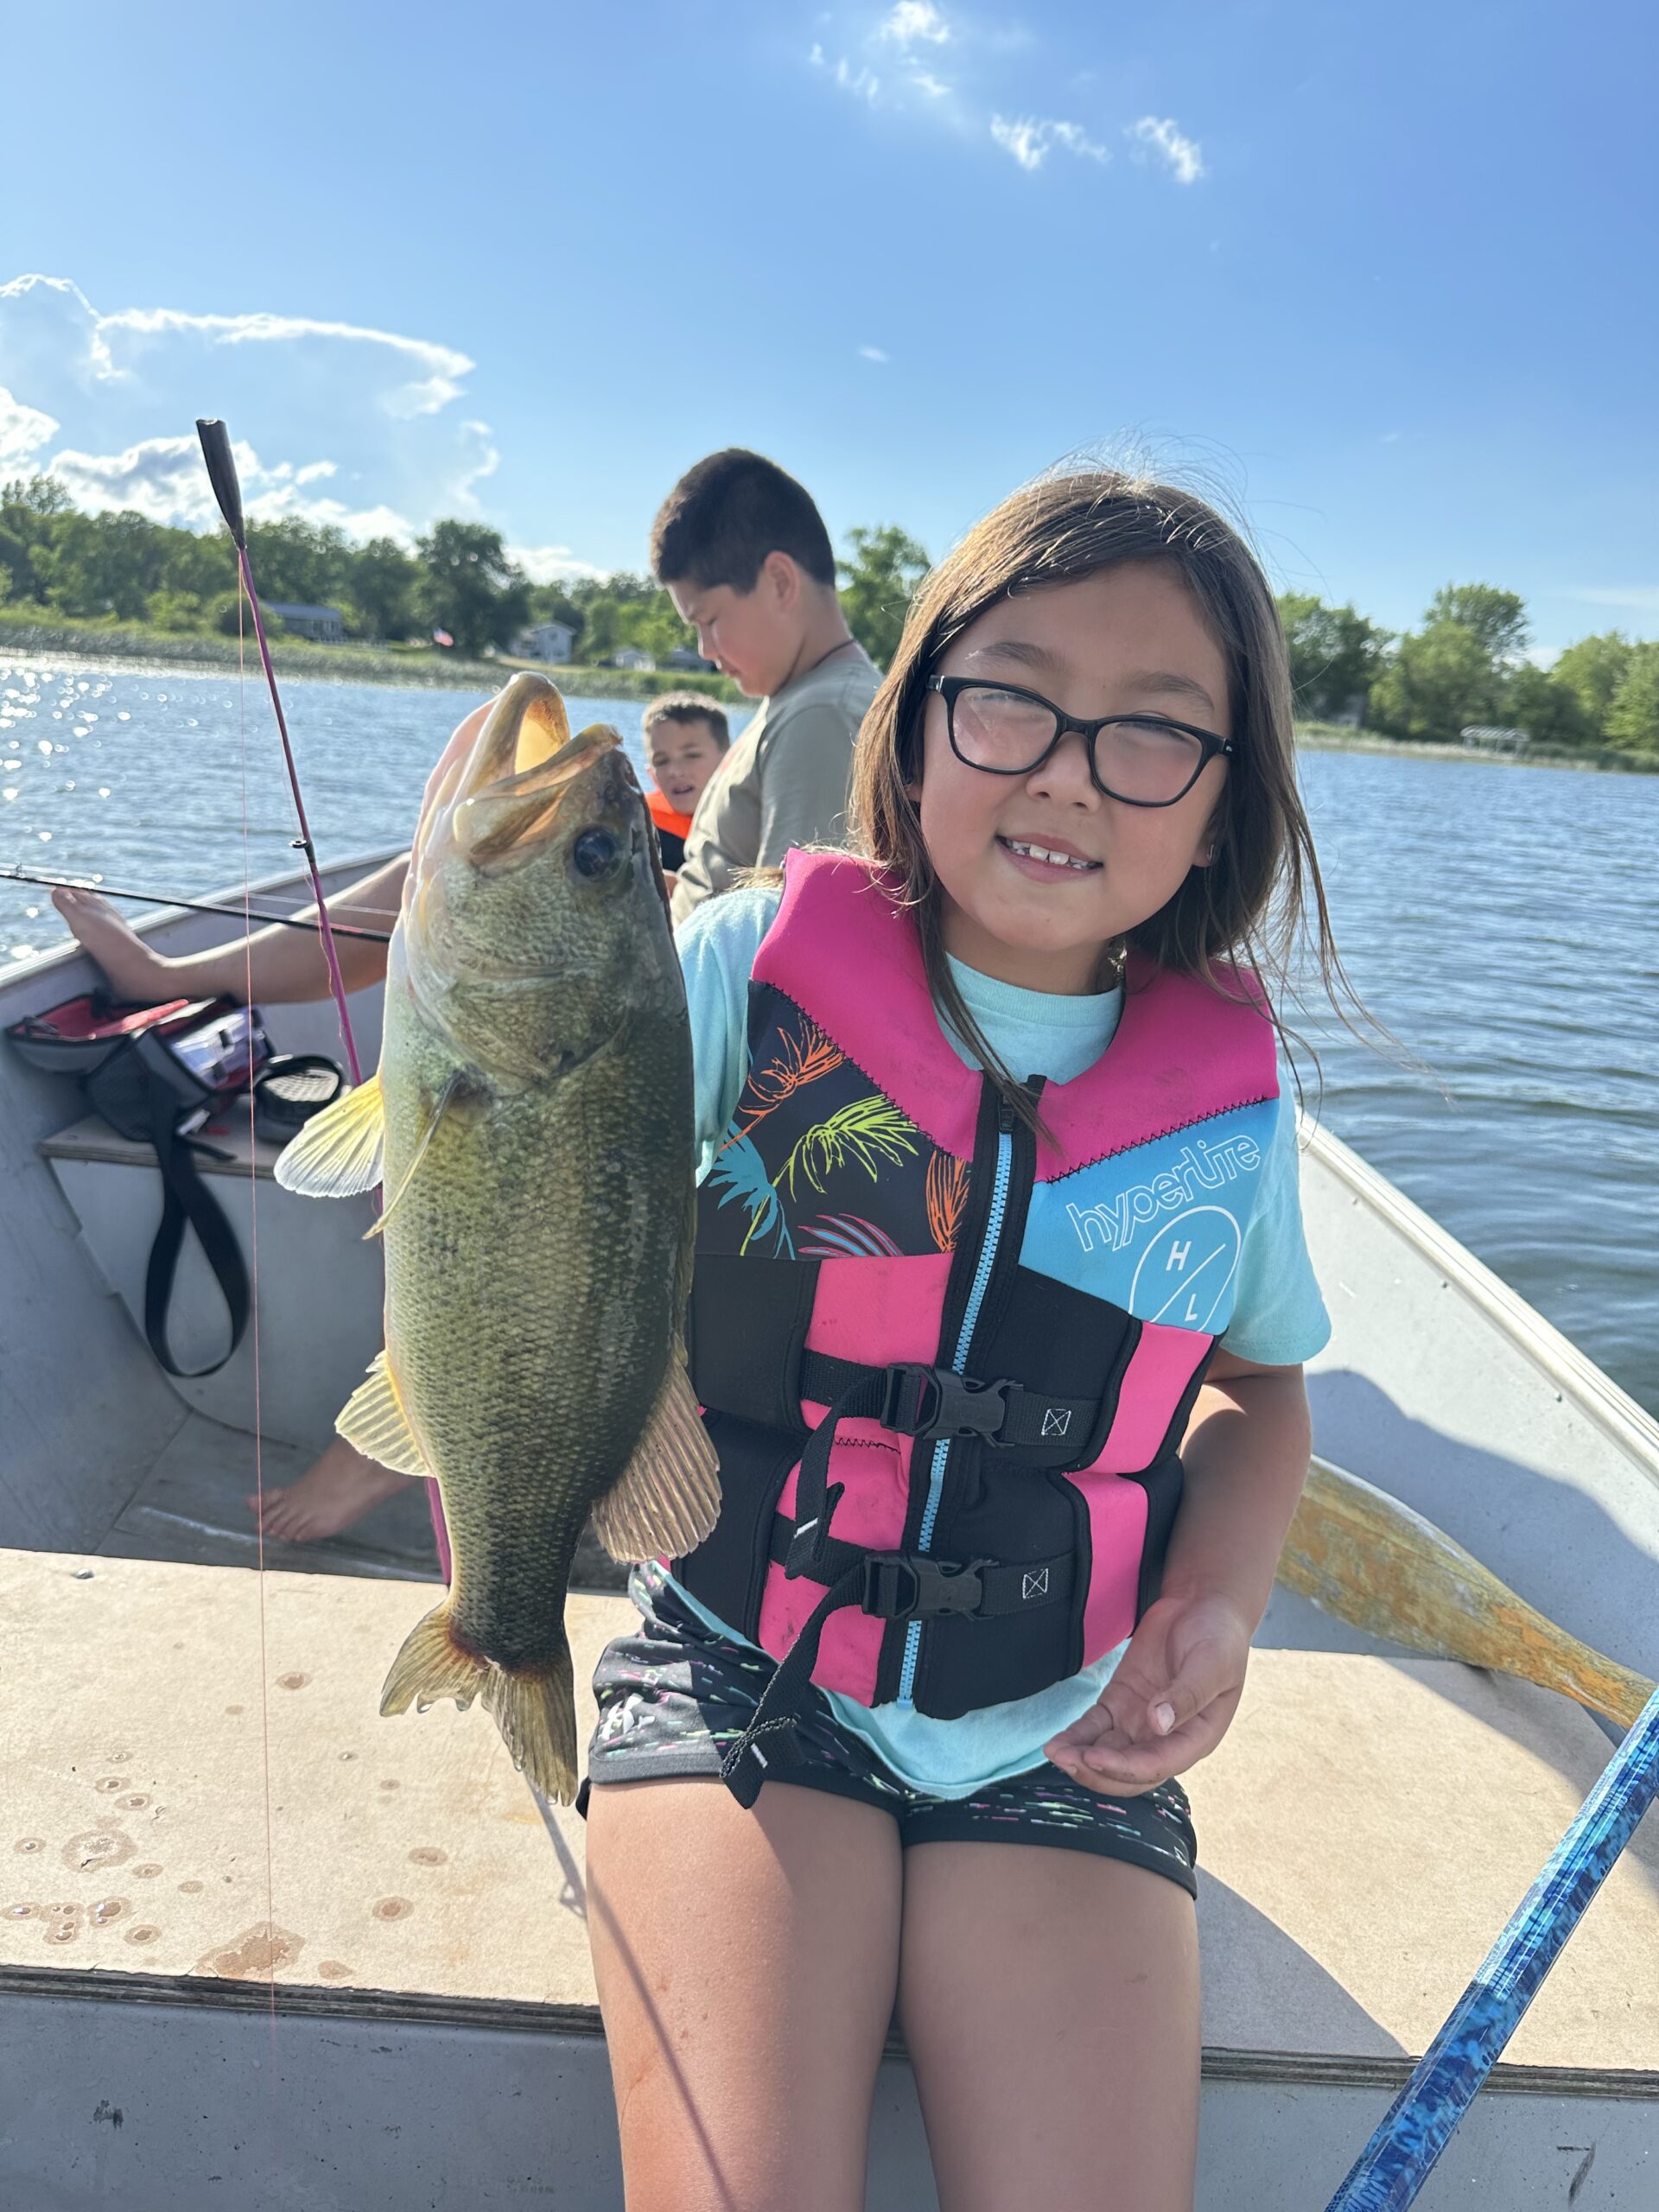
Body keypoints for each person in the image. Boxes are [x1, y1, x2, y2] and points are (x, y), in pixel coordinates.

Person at [583, 467, 1340, 2212]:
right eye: (1010, 695)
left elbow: (1263, 1397)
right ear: (914, 719)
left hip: (1062, 1722)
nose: (1068, 764)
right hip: (738, 1659)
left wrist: (1213, 1601)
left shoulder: (1229, 1107)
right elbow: (537, 1185)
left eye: (1155, 730)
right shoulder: (739, 967)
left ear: (1225, 807)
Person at [651, 448, 881, 923]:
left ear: (779, 582)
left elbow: (793, 949)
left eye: (709, 620)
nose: (704, 650)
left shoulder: (822, 719)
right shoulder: (796, 699)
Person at [639, 691, 731, 877]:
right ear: (652, 775)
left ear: (729, 758)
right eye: (662, 761)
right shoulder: (638, 827)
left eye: (692, 755)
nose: (675, 771)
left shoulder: (750, 824)